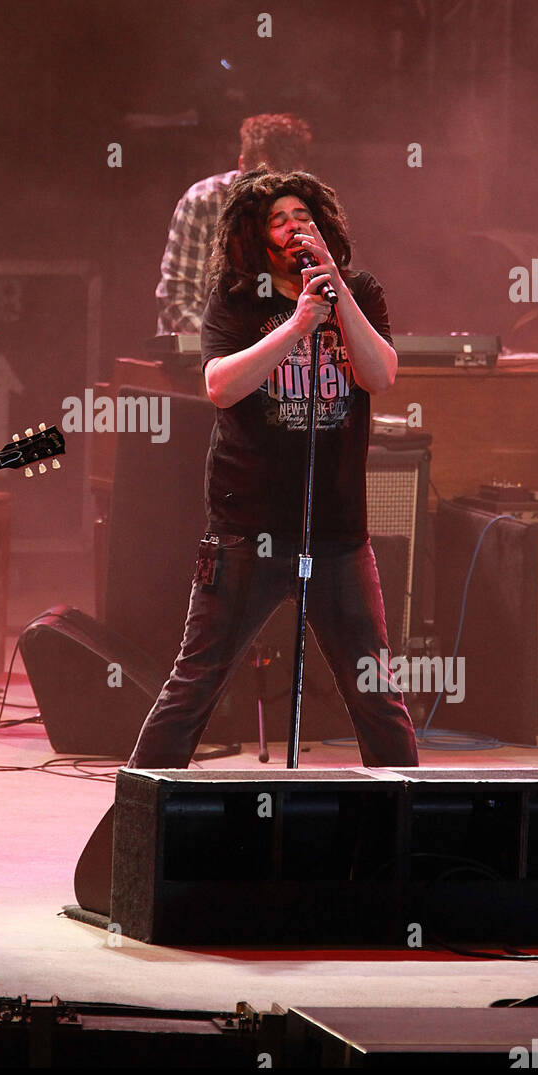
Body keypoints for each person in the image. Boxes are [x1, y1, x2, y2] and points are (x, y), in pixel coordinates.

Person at [128, 169, 419, 769]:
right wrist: (298, 324)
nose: (293, 227)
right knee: (195, 683)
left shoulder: (359, 291)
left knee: (376, 693)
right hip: (247, 530)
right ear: (256, 238)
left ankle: (410, 821)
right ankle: (136, 813)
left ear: (324, 227)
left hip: (337, 532)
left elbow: (381, 375)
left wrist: (336, 294)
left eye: (302, 216)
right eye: (278, 220)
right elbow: (220, 385)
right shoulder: (236, 299)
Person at [155, 112, 312, 335]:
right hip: (205, 349)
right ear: (242, 166)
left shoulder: (309, 208)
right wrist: (230, 345)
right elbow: (179, 299)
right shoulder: (204, 201)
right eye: (263, 184)